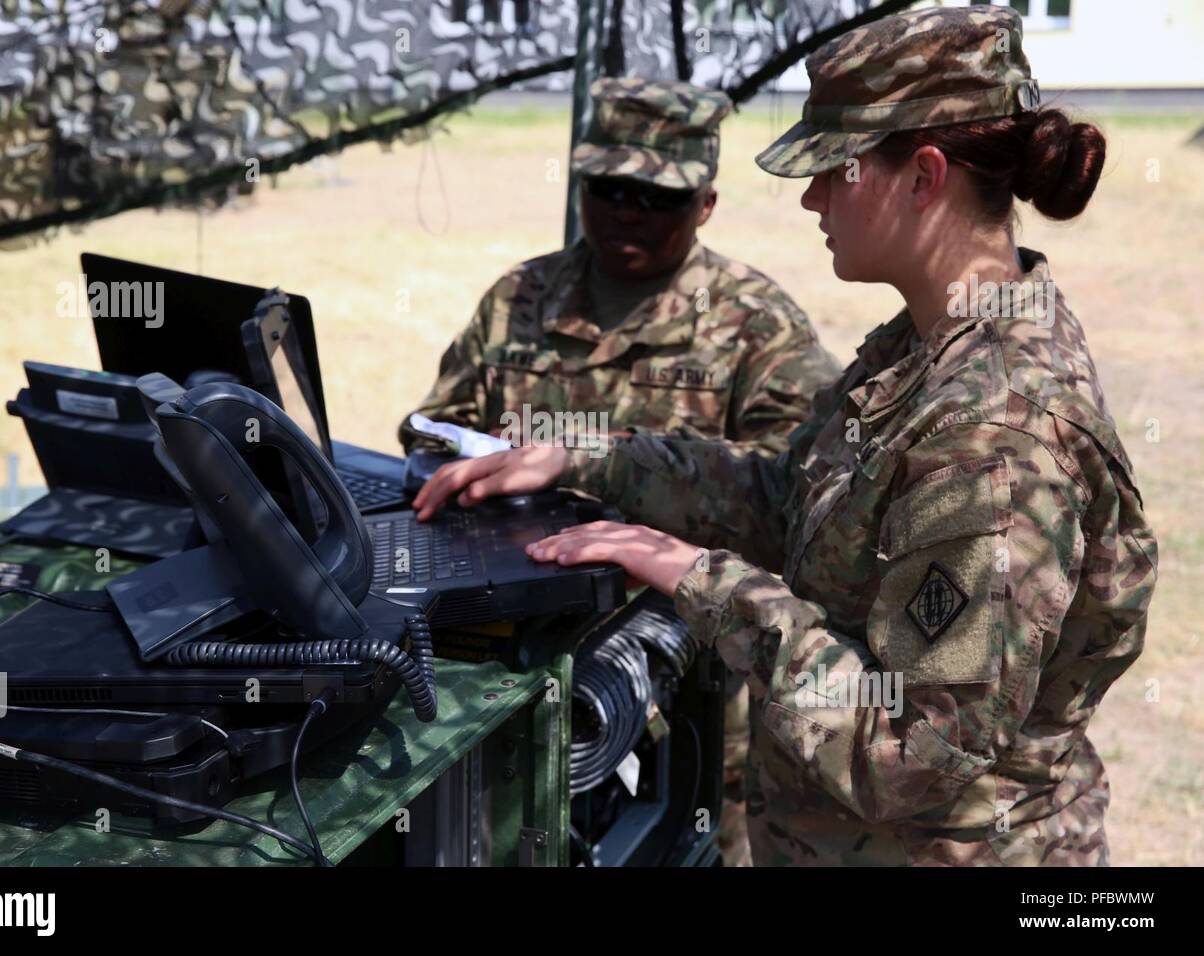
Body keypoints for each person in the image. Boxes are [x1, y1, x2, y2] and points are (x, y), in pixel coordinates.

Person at [411, 5, 1157, 866]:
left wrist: (703, 581)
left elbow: (906, 748)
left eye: (835, 170)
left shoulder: (991, 434)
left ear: (924, 176)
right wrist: (595, 458)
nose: (811, 197)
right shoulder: (929, 342)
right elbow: (789, 501)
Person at [402, 77, 840, 866]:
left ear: (705, 204)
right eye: (608, 188)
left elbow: (796, 503)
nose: (627, 211)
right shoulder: (519, 299)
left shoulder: (756, 325)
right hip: (515, 666)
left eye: (656, 196)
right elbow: (444, 427)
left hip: (688, 690)